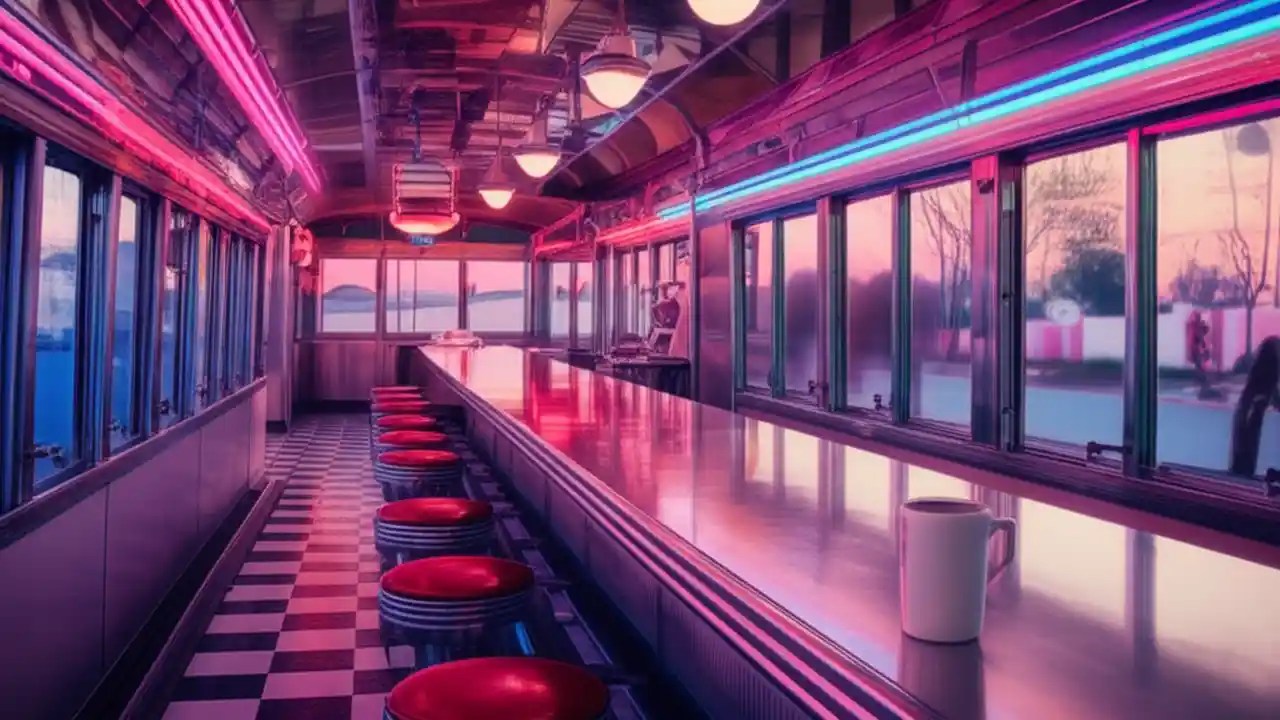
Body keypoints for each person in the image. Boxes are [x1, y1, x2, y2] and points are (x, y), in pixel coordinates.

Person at [1229, 336, 1280, 476]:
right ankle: (1241, 471)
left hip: (1253, 401)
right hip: (1254, 402)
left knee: (1247, 428)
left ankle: (1241, 470)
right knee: (1248, 430)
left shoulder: (1272, 347)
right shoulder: (1273, 348)